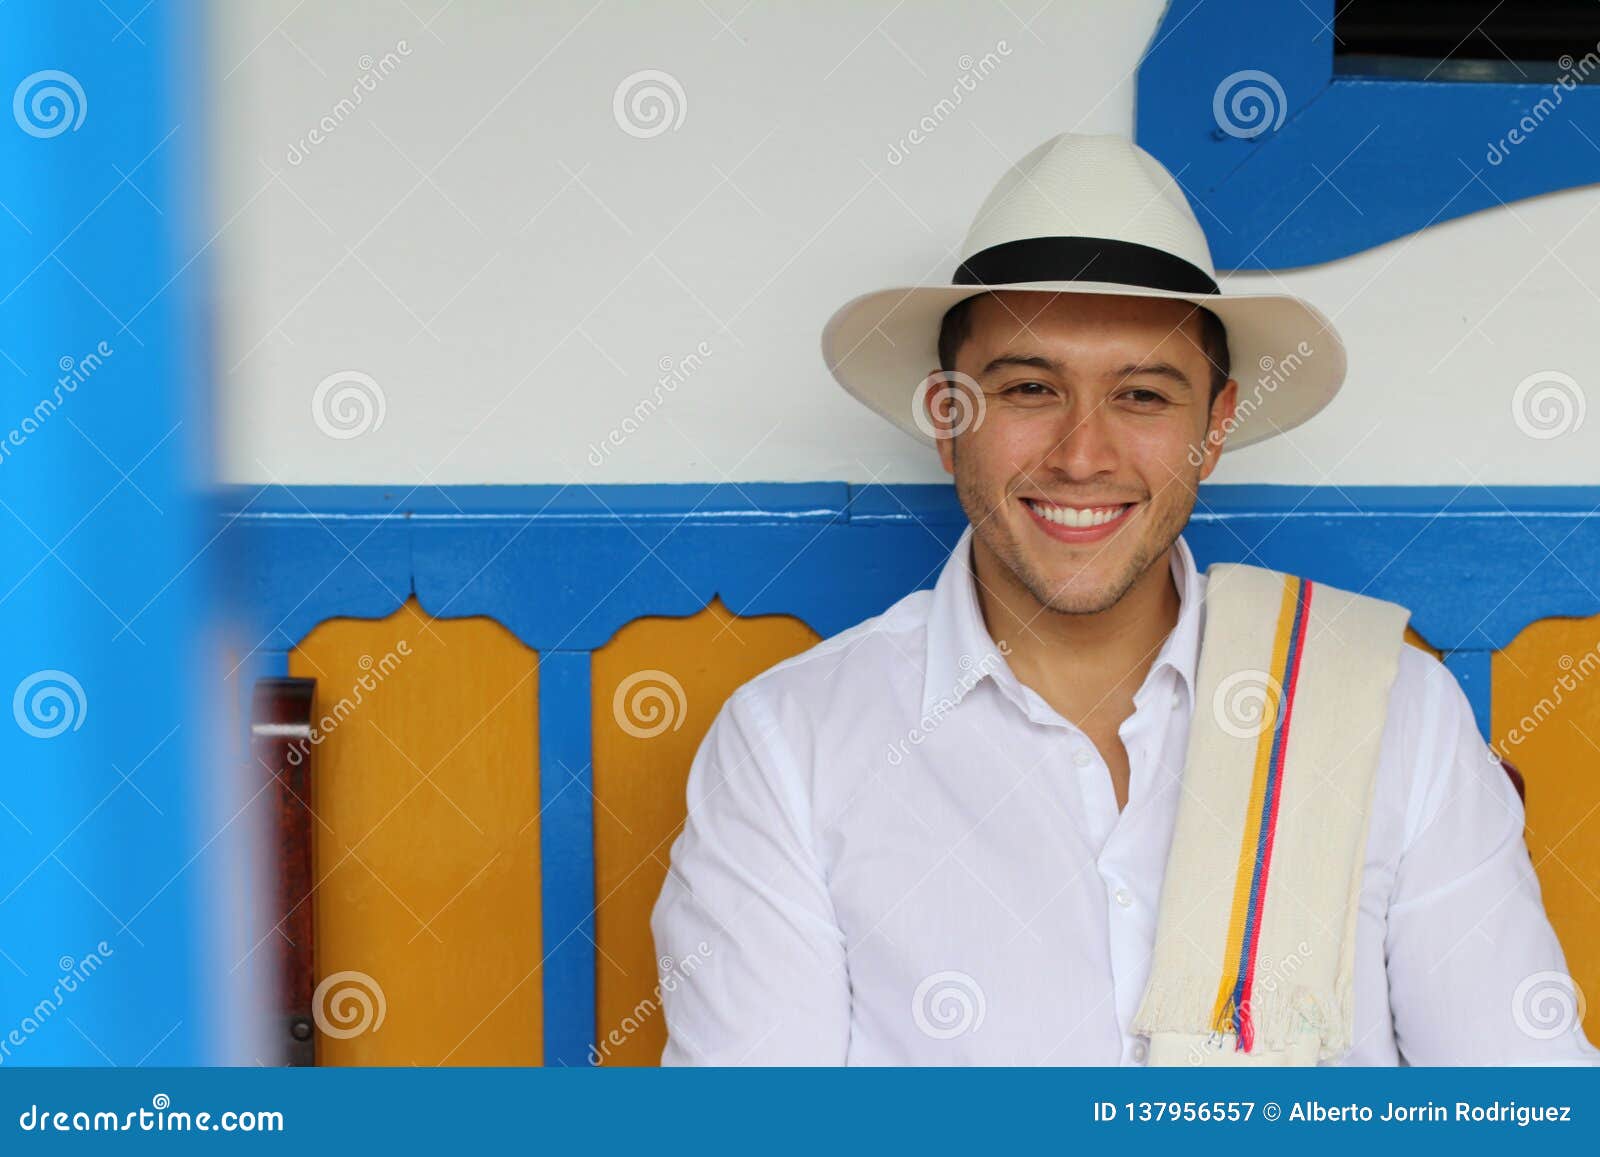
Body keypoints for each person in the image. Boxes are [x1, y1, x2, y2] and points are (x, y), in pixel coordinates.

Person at [649, 132, 1598, 1065]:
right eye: (1028, 386)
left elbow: (1524, 1105)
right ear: (947, 419)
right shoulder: (791, 749)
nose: (1082, 454)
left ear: (1216, 424)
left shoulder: (1390, 712)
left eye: (1143, 395)